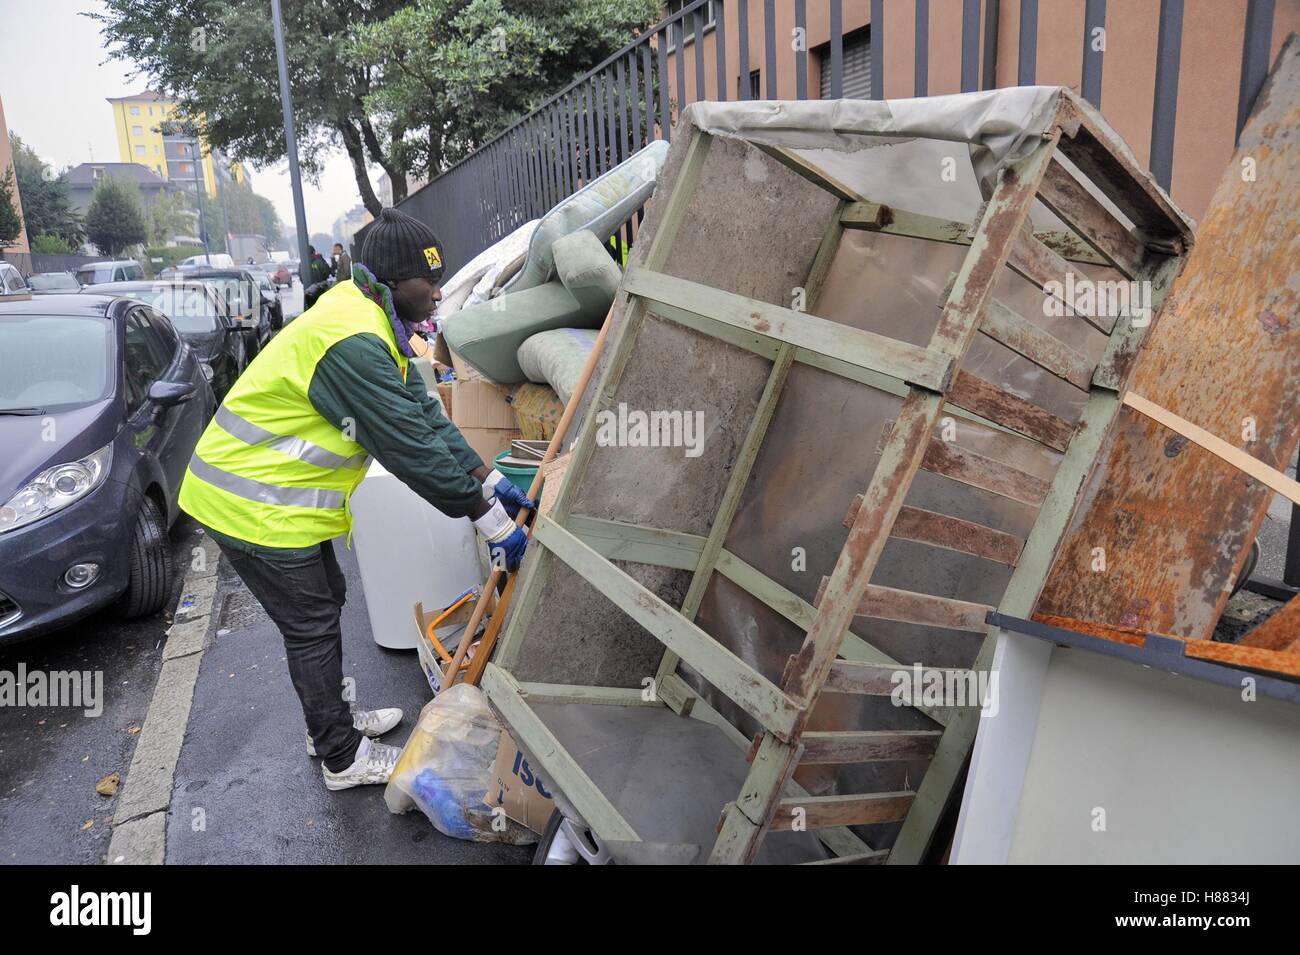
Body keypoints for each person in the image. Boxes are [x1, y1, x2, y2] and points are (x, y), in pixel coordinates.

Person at [177, 208, 535, 791]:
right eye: (431, 280)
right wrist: (492, 523)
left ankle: (331, 723)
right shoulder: (354, 340)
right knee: (312, 624)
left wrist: (488, 478)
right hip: (251, 505)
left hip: (277, 503)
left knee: (328, 601)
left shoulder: (366, 317)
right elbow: (411, 450)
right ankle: (341, 757)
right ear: (395, 283)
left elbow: (423, 413)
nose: (440, 289)